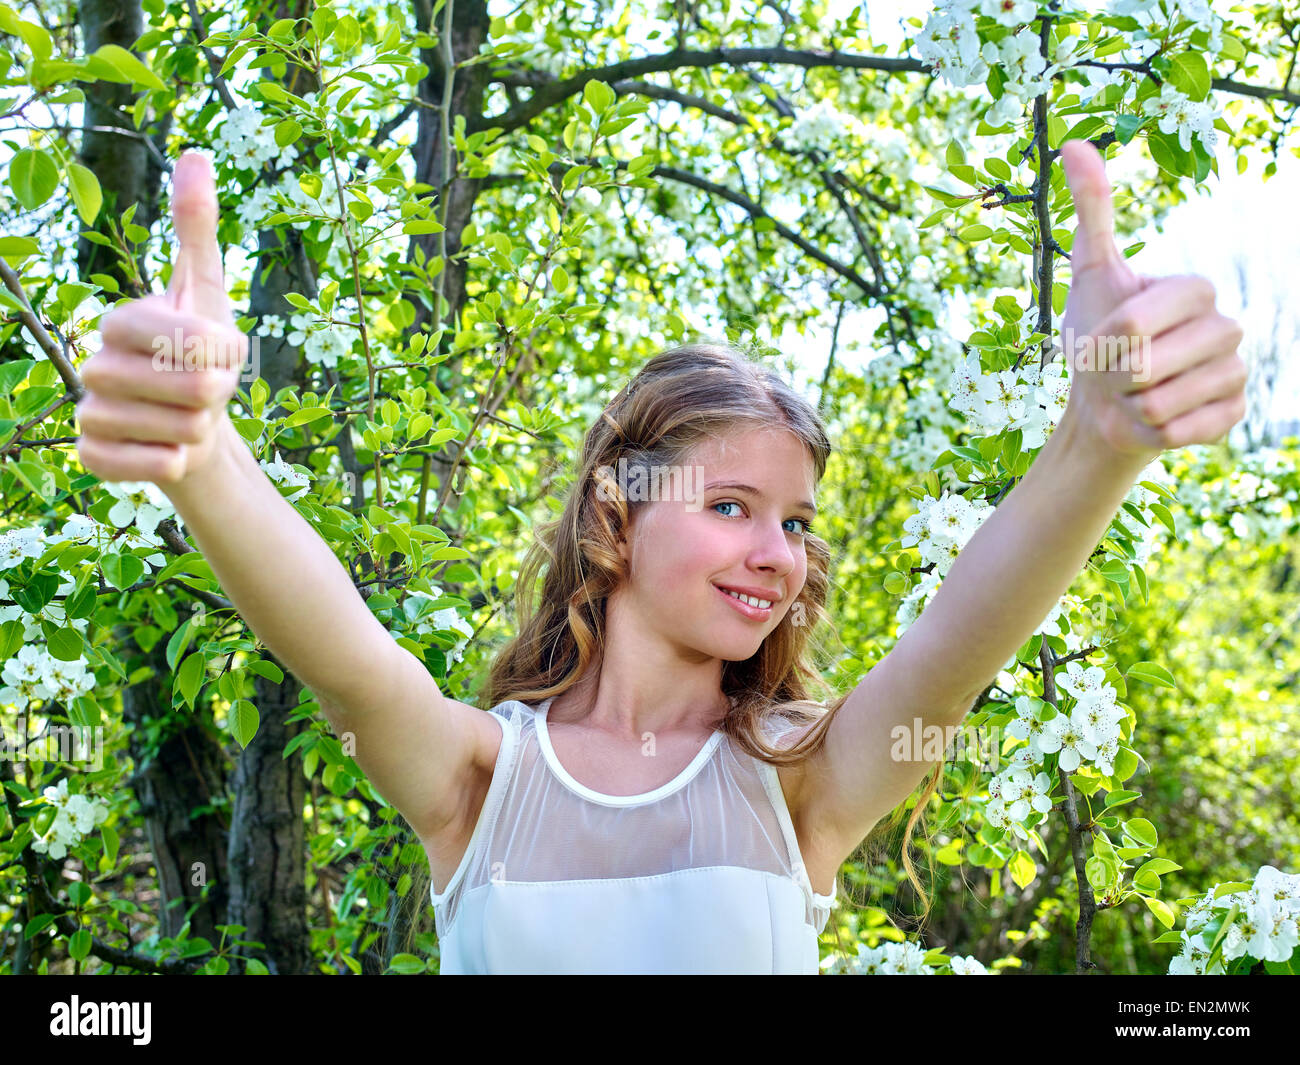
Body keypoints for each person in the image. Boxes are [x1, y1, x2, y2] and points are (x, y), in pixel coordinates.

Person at [74, 141, 1247, 974]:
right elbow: (350, 661)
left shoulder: (800, 784)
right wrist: (205, 459)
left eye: (795, 523)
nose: (778, 555)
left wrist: (1097, 446)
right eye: (733, 505)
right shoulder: (481, 781)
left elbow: (951, 652)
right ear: (615, 518)